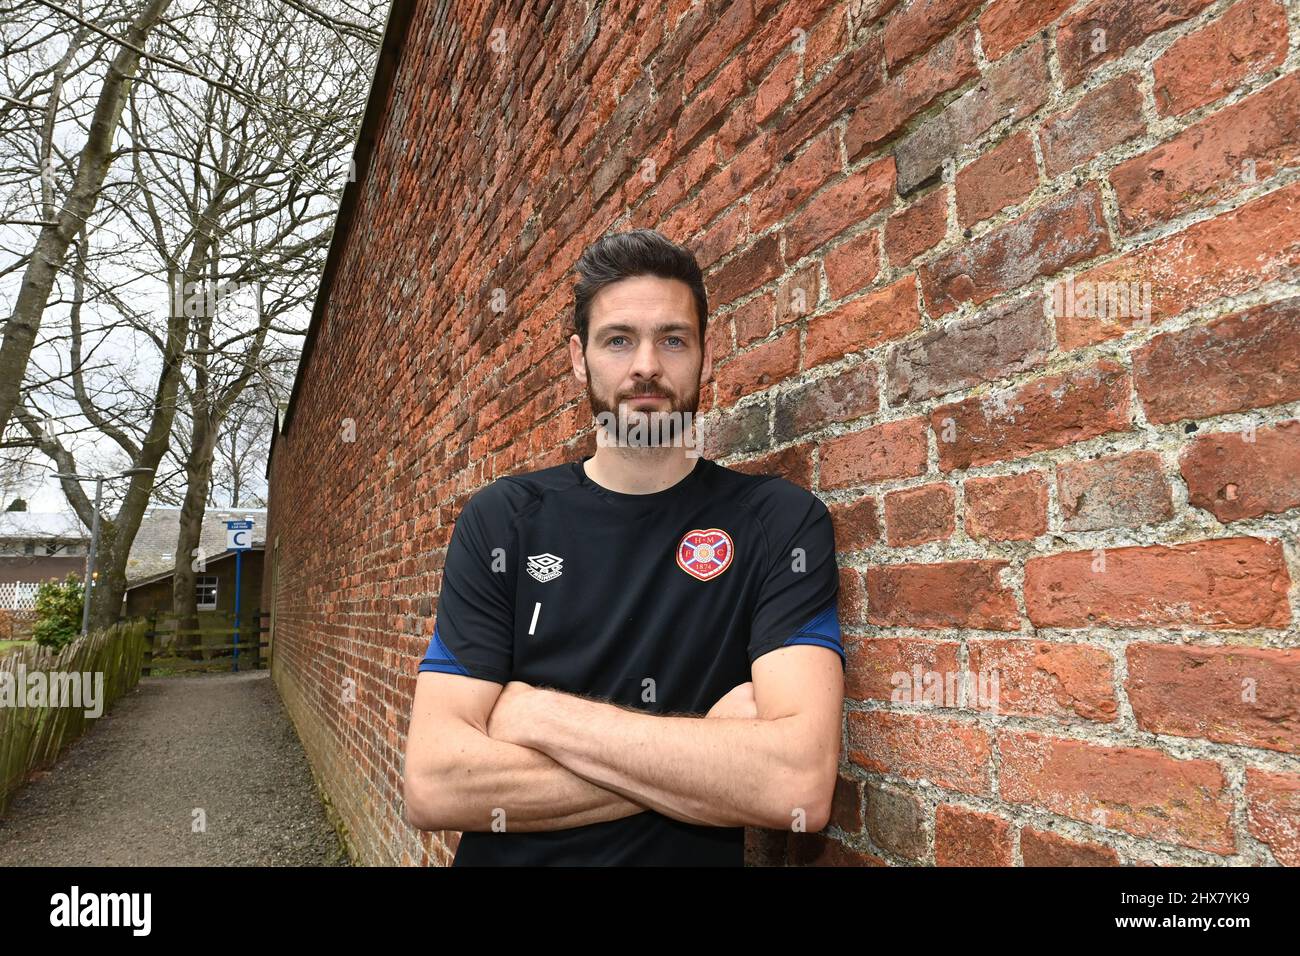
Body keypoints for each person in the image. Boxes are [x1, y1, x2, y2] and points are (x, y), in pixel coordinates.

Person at [402, 227, 845, 865]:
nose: (646, 366)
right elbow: (435, 784)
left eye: (672, 339)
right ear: (579, 359)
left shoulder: (779, 523)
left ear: (706, 355)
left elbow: (796, 785)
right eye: (619, 340)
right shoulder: (503, 521)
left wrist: (539, 716)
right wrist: (709, 756)